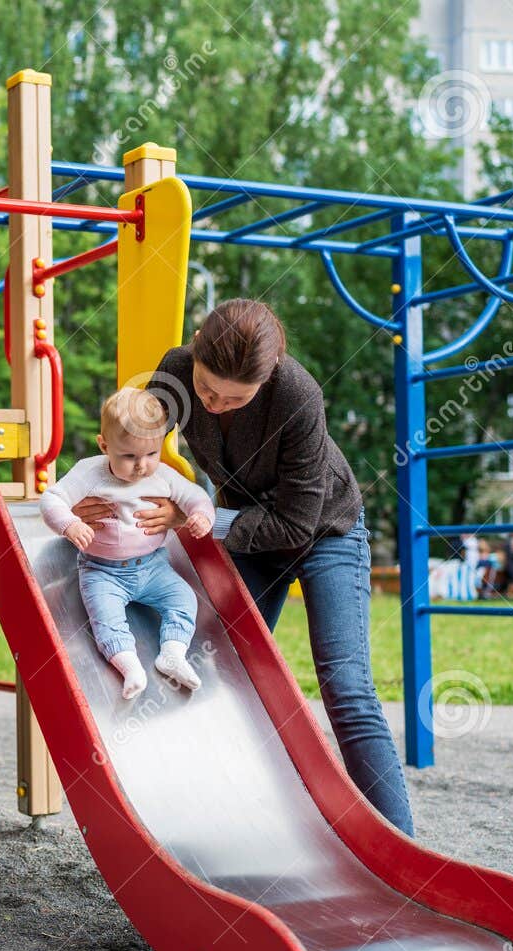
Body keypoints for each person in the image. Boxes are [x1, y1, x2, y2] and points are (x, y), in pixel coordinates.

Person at [66, 299, 415, 835]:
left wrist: (195, 517)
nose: (217, 405)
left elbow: (296, 526)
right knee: (214, 669)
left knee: (346, 688)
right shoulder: (177, 370)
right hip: (245, 530)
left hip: (324, 532)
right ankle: (216, 822)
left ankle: (399, 844)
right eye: (207, 392)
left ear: (268, 376)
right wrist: (95, 492)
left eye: (236, 399)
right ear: (197, 346)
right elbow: (131, 442)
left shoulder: (298, 396)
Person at [41, 389, 215, 700]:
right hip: (102, 571)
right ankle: (129, 665)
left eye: (151, 454)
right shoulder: (89, 472)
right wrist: (70, 523)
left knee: (185, 599)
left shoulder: (162, 475)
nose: (141, 465)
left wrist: (202, 515)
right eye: (129, 456)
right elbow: (52, 499)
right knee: (106, 619)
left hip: (153, 567)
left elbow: (196, 496)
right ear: (104, 445)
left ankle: (172, 653)